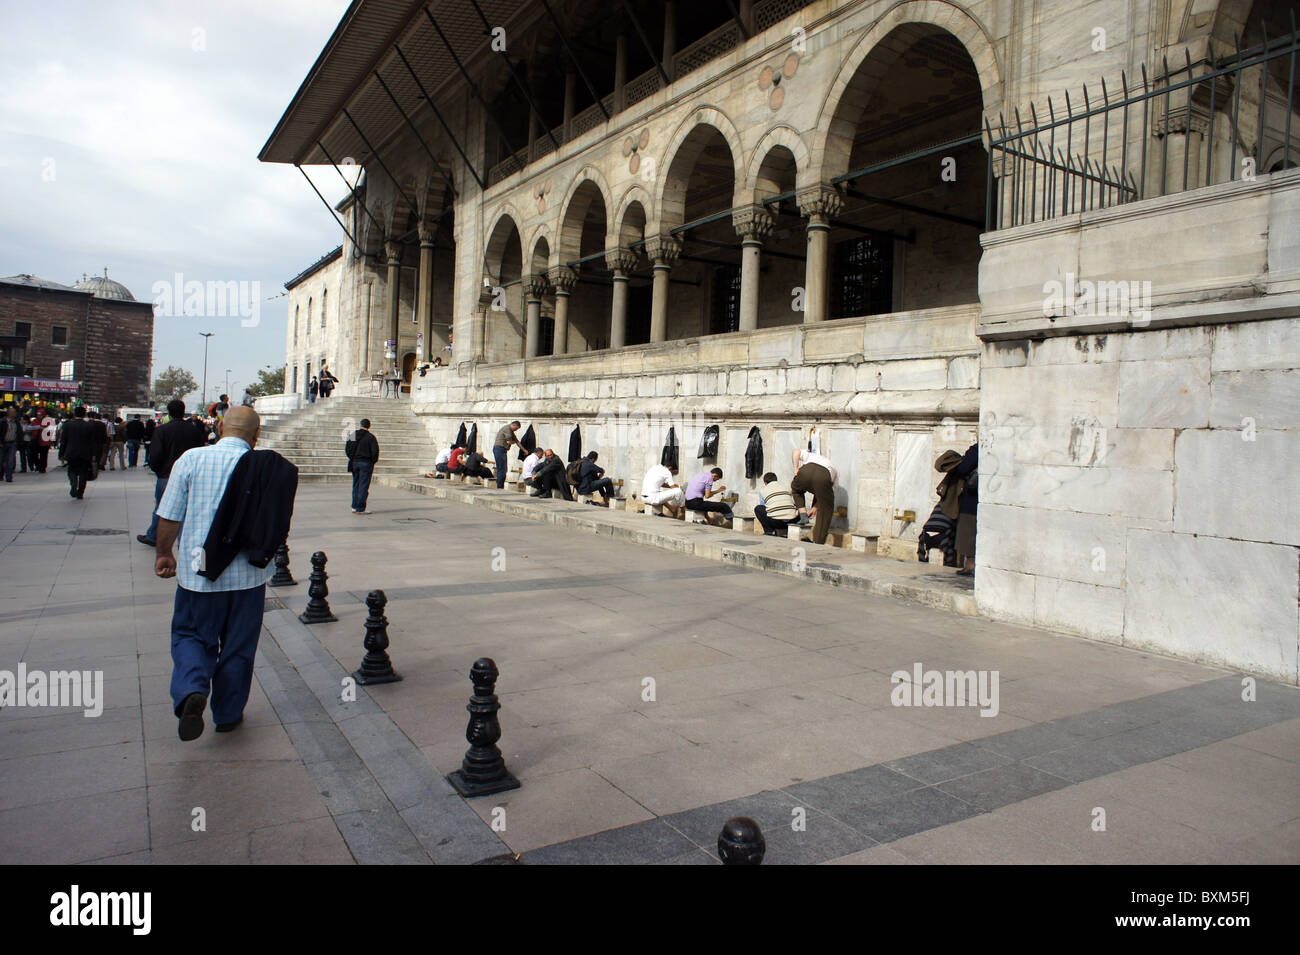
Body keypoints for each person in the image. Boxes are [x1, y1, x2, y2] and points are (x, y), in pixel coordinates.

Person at [154, 406, 290, 739]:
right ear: (257, 436)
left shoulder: (191, 460)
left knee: (191, 636)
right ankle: (228, 714)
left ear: (218, 426)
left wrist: (163, 552)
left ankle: (191, 688)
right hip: (249, 578)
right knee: (239, 648)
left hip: (198, 573)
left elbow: (170, 516)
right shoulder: (268, 467)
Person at [139, 400, 205, 546]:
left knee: (162, 508)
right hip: (190, 476)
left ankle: (154, 536)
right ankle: (183, 542)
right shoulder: (194, 431)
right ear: (184, 411)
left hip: (167, 475)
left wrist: (158, 471)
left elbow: (155, 455)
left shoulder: (162, 430)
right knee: (188, 510)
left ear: (169, 412)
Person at [790, 447, 837, 545]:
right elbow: (824, 497)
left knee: (795, 489)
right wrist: (817, 507)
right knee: (826, 509)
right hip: (824, 476)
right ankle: (818, 541)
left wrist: (796, 468)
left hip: (806, 470)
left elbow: (796, 451)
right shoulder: (835, 471)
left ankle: (803, 514)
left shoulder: (812, 455)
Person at [58, 406, 97, 499]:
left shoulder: (67, 425)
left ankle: (73, 483)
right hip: (85, 453)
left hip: (71, 452)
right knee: (83, 472)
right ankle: (80, 493)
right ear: (84, 414)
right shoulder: (89, 425)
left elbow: (63, 441)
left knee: (71, 470)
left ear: (75, 414)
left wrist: (61, 453)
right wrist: (94, 454)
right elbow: (92, 442)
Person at [952, 442, 978, 576]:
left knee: (969, 532)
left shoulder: (978, 449)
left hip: (972, 500)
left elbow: (963, 468)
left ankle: (970, 565)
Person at [345, 418, 380, 513]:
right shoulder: (371, 437)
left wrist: (352, 458)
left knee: (356, 484)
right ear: (369, 426)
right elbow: (375, 452)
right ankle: (360, 507)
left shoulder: (353, 435)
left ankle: (354, 506)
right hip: (366, 463)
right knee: (363, 485)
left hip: (354, 462)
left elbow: (347, 449)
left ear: (360, 425)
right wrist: (372, 461)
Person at [755, 471, 800, 536]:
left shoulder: (763, 490)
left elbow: (763, 506)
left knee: (758, 508)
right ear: (776, 480)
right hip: (792, 520)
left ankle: (769, 531)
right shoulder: (786, 487)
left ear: (765, 483)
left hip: (776, 521)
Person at [491, 420, 522, 489]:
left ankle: (500, 485)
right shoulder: (507, 429)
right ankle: (500, 486)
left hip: (501, 450)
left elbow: (517, 441)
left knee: (502, 468)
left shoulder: (511, 431)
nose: (516, 430)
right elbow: (509, 441)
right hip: (499, 449)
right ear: (513, 425)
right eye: (516, 428)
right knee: (502, 469)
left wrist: (524, 450)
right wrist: (513, 442)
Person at [0, 407, 20, 482]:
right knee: (1, 461)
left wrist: (18, 441)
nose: (15, 413)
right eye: (13, 412)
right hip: (3, 444)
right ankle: (1, 474)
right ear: (9, 413)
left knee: (10, 461)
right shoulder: (2, 422)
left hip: (12, 443)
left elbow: (19, 432)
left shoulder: (16, 422)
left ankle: (9, 476)